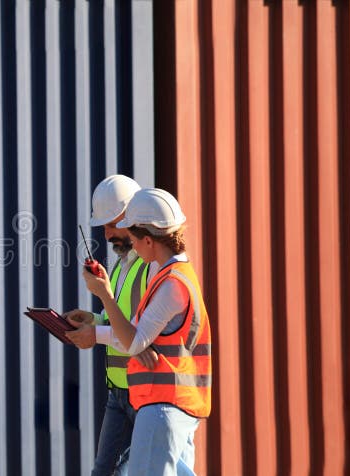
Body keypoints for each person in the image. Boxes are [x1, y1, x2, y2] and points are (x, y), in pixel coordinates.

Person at [80, 188, 212, 476]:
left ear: (149, 240)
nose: (134, 247)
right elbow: (134, 333)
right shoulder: (173, 277)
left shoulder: (170, 285)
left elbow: (134, 340)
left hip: (162, 406)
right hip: (172, 405)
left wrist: (103, 294)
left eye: (135, 239)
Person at [62, 175, 159, 476]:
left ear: (133, 218)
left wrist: (96, 334)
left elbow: (140, 335)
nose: (105, 235)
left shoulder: (152, 266)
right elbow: (117, 322)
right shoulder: (120, 266)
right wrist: (92, 320)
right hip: (119, 392)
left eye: (111, 225)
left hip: (145, 394)